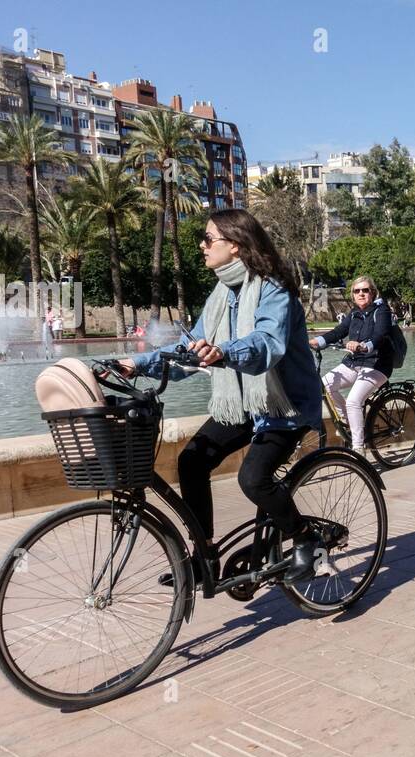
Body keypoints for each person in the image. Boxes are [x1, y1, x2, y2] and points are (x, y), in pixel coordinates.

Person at [109, 208, 323, 583]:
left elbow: (267, 344)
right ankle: (202, 554)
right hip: (240, 404)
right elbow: (188, 351)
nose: (202, 246)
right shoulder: (220, 295)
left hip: (283, 405)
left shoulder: (274, 290)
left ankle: (306, 539)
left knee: (253, 479)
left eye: (209, 239)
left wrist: (224, 351)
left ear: (236, 246)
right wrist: (136, 364)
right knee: (192, 461)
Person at [312, 275, 393, 455]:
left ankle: (358, 447)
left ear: (373, 293)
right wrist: (316, 341)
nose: (361, 294)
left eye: (365, 290)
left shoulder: (381, 311)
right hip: (355, 362)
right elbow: (338, 331)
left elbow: (381, 334)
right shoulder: (354, 313)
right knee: (325, 385)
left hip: (377, 364)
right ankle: (348, 421)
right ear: (352, 295)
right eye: (357, 291)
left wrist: (365, 345)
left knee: (353, 400)